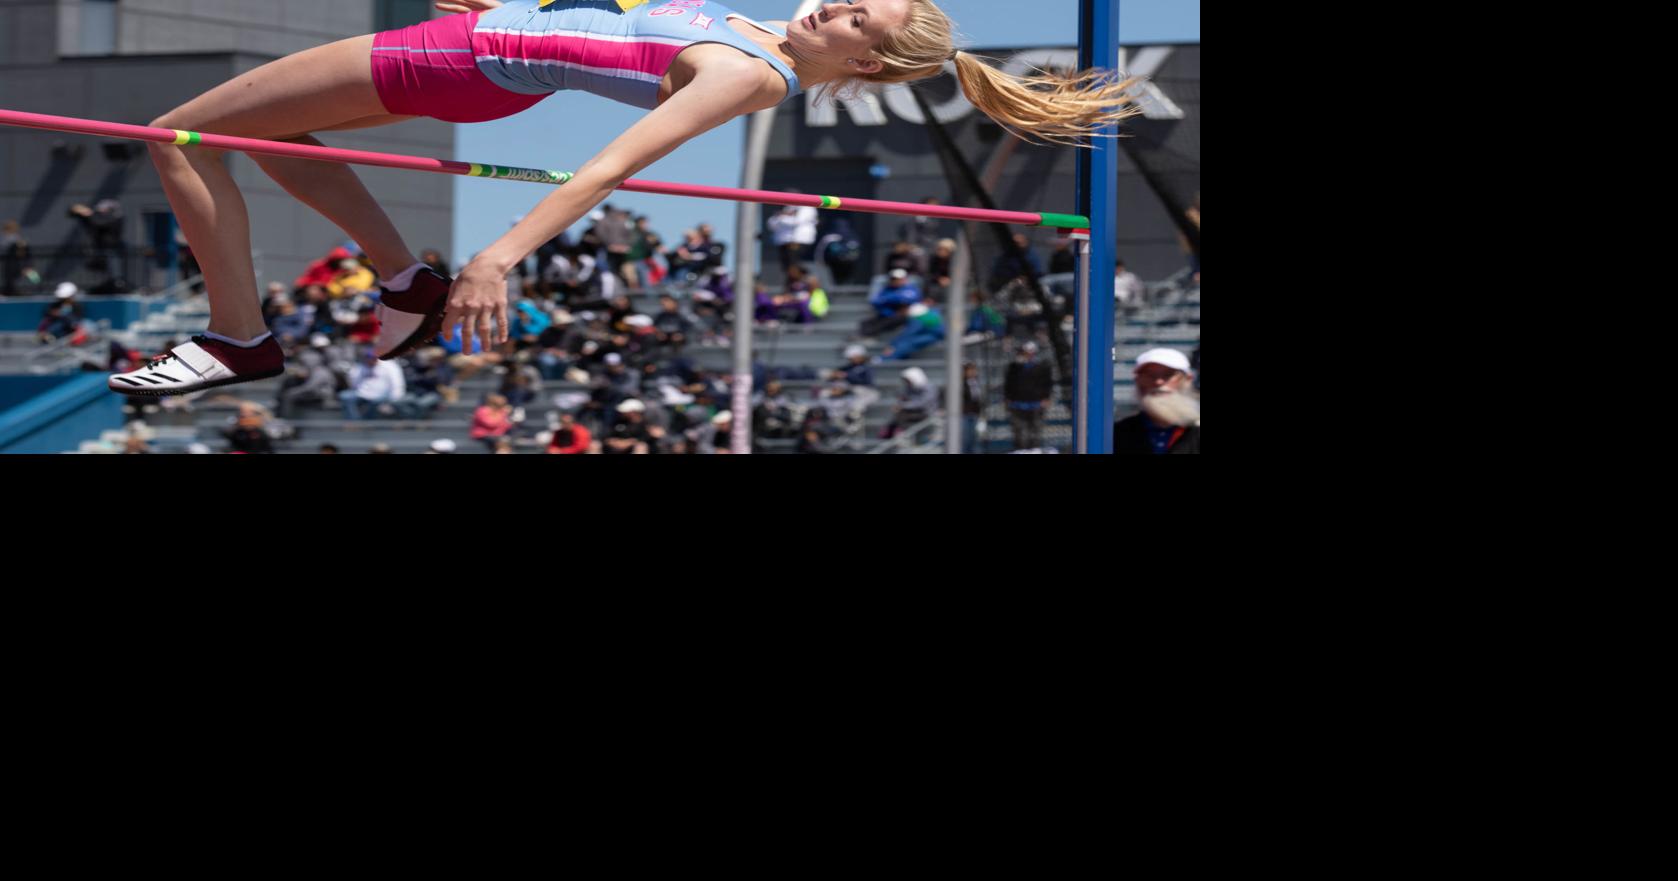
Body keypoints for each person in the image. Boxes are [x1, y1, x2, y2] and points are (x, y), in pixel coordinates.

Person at [106, 0, 1141, 396]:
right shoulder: (755, 30)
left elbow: (608, 166)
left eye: (852, 15)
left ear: (863, 63)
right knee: (252, 132)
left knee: (176, 138)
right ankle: (406, 278)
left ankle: (240, 334)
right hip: (479, 47)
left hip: (462, 63)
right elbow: (615, 17)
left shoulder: (748, 75)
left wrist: (498, 255)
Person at [1113, 348, 1200, 454]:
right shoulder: (1118, 433)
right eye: (1150, 375)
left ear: (1188, 380)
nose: (1158, 382)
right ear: (1137, 380)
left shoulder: (1196, 430)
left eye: (1168, 375)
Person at [1003, 340, 1053, 451]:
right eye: (1026, 352)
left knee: (1035, 430)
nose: (1028, 355)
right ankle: (1020, 449)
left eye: (1030, 353)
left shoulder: (1041, 367)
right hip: (1018, 404)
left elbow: (1047, 384)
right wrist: (1007, 398)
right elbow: (1008, 383)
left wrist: (1046, 398)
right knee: (1019, 431)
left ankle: (1034, 449)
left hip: (1036, 403)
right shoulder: (1014, 367)